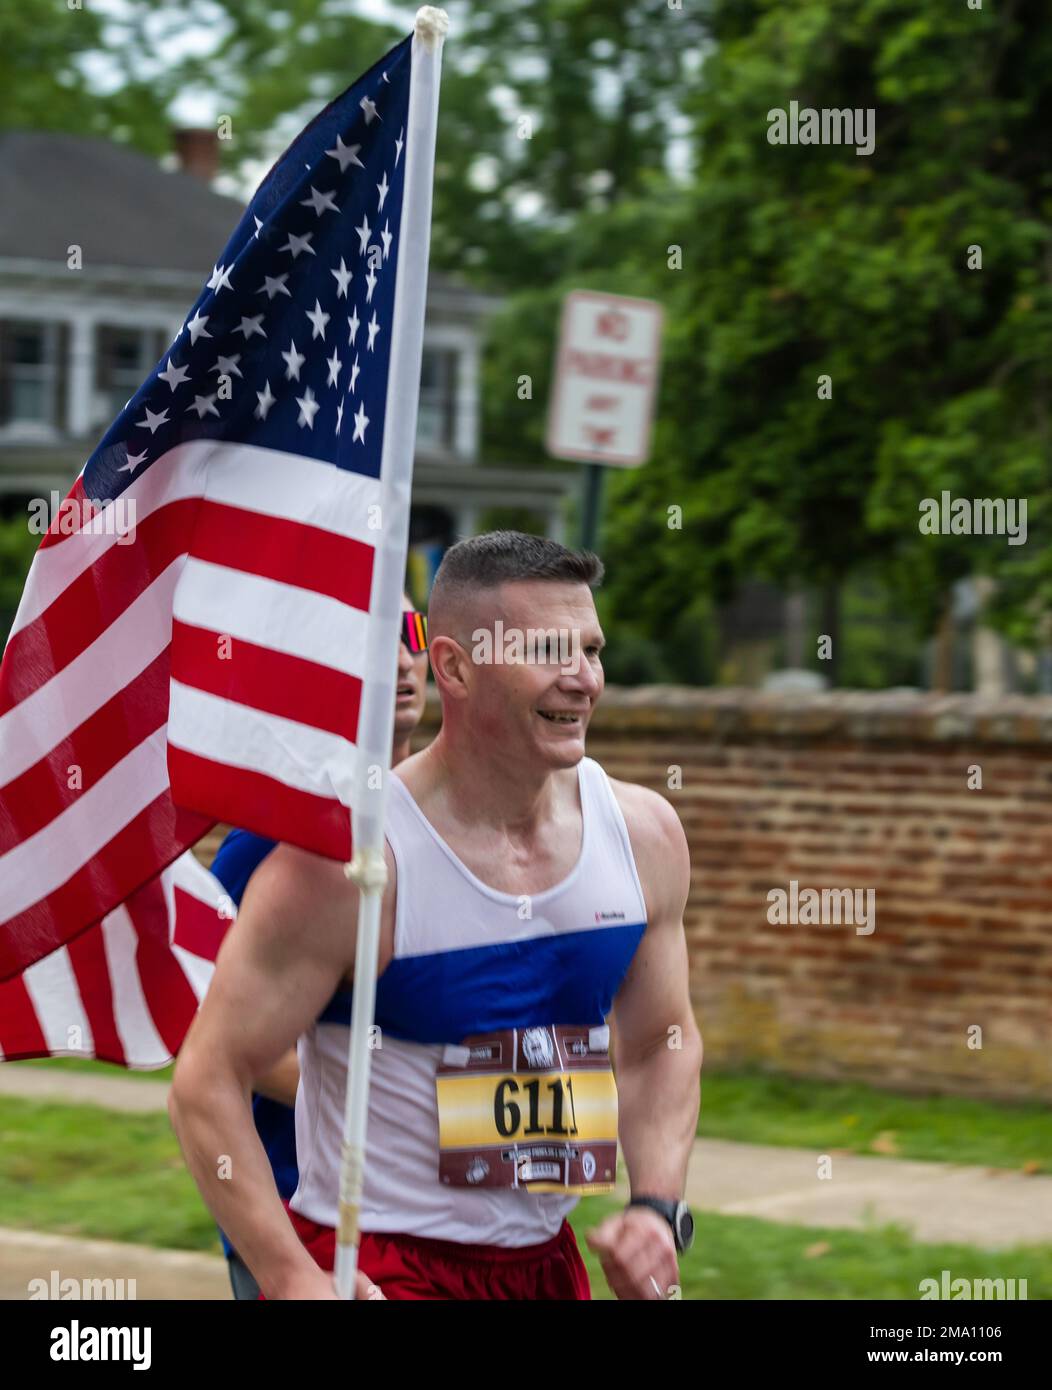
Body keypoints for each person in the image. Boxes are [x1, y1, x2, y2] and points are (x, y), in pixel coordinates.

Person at [170, 531, 702, 1300]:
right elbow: (208, 1078)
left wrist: (657, 1206)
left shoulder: (644, 836)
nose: (583, 678)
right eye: (550, 650)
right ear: (455, 667)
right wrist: (290, 1278)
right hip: (383, 1268)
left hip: (547, 1264)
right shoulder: (345, 867)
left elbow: (661, 1042)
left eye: (591, 649)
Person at [210, 594, 430, 1300]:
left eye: (412, 632)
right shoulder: (267, 845)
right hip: (297, 1222)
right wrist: (394, 1107)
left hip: (429, 1219)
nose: (401, 658)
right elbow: (215, 1045)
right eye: (373, 638)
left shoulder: (445, 824)